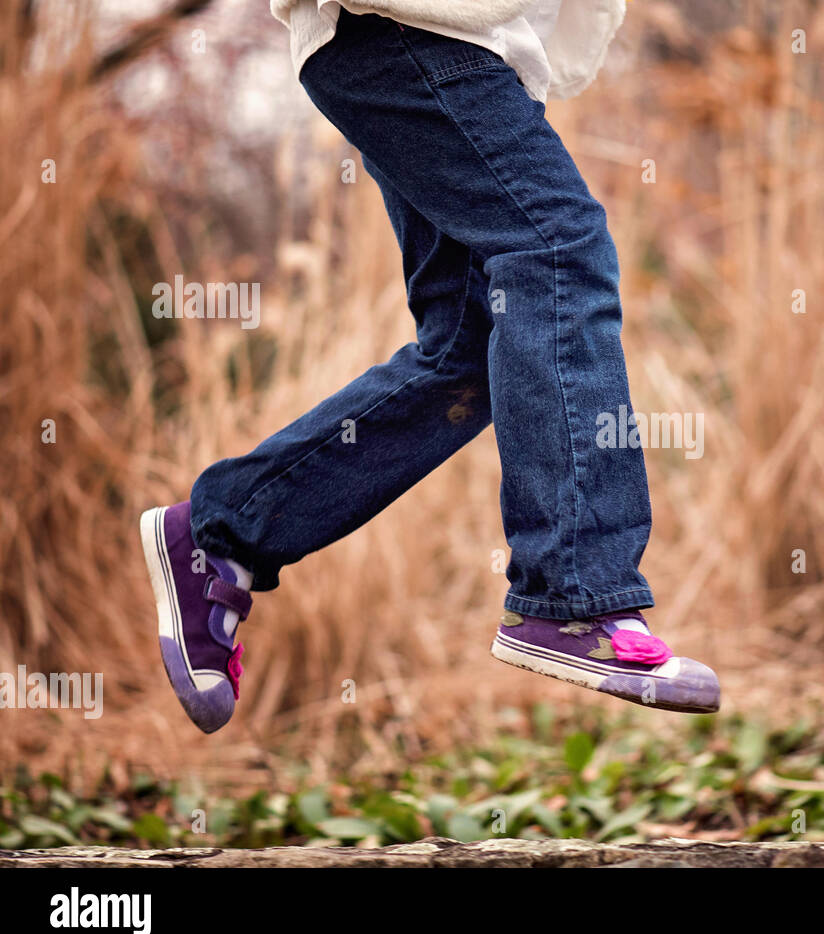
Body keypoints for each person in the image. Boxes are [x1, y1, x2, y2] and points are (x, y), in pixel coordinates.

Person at [138, 0, 720, 734]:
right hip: (414, 29)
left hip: (426, 41)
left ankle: (219, 536)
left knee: (467, 348)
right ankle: (577, 597)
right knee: (557, 248)